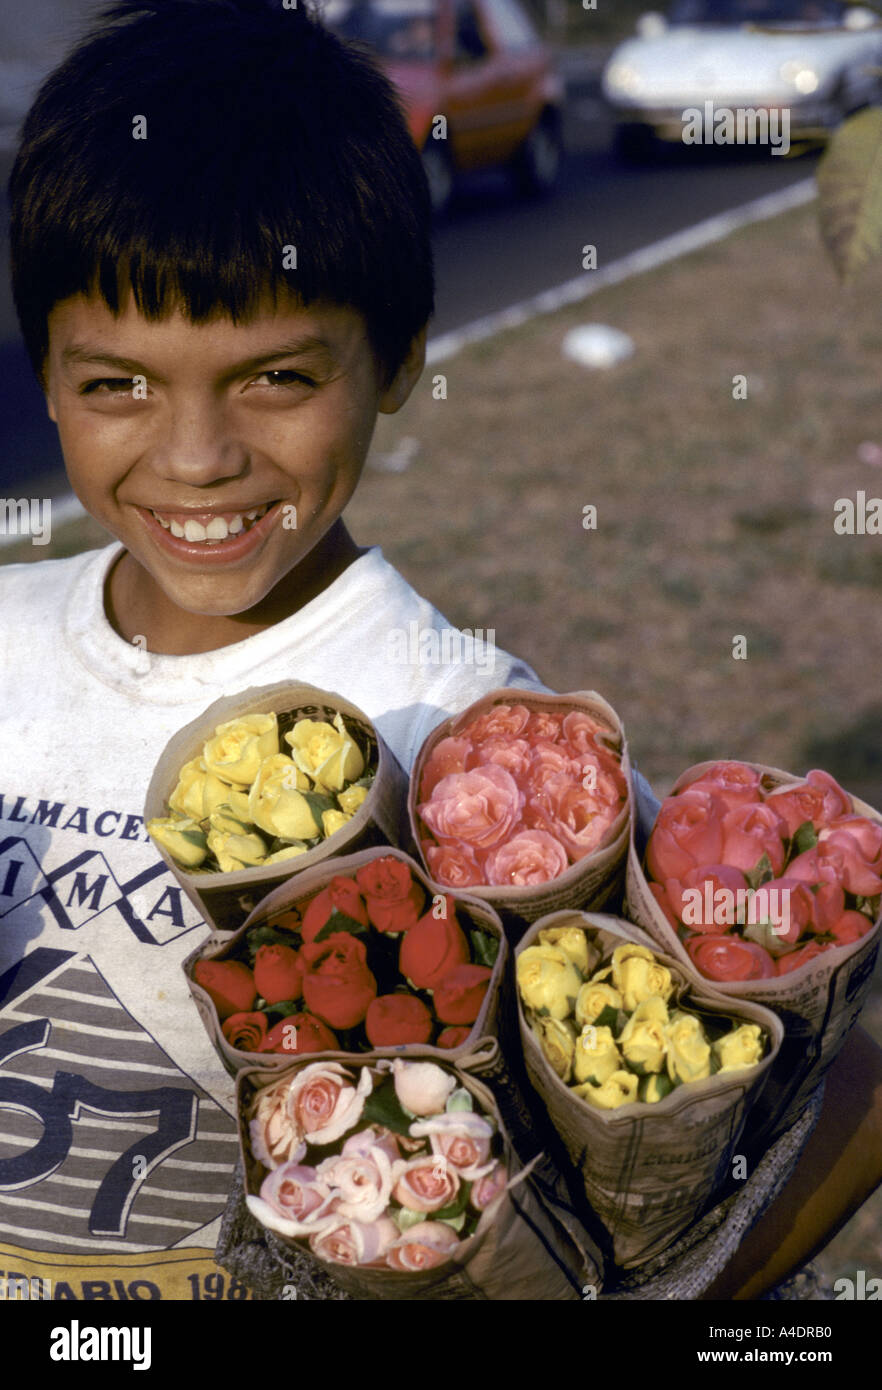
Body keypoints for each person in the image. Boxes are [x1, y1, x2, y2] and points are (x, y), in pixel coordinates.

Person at [0, 0, 878, 1304]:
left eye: (276, 378)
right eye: (116, 382)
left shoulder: (487, 764)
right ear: (43, 368)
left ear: (402, 358)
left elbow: (826, 1091)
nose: (194, 457)